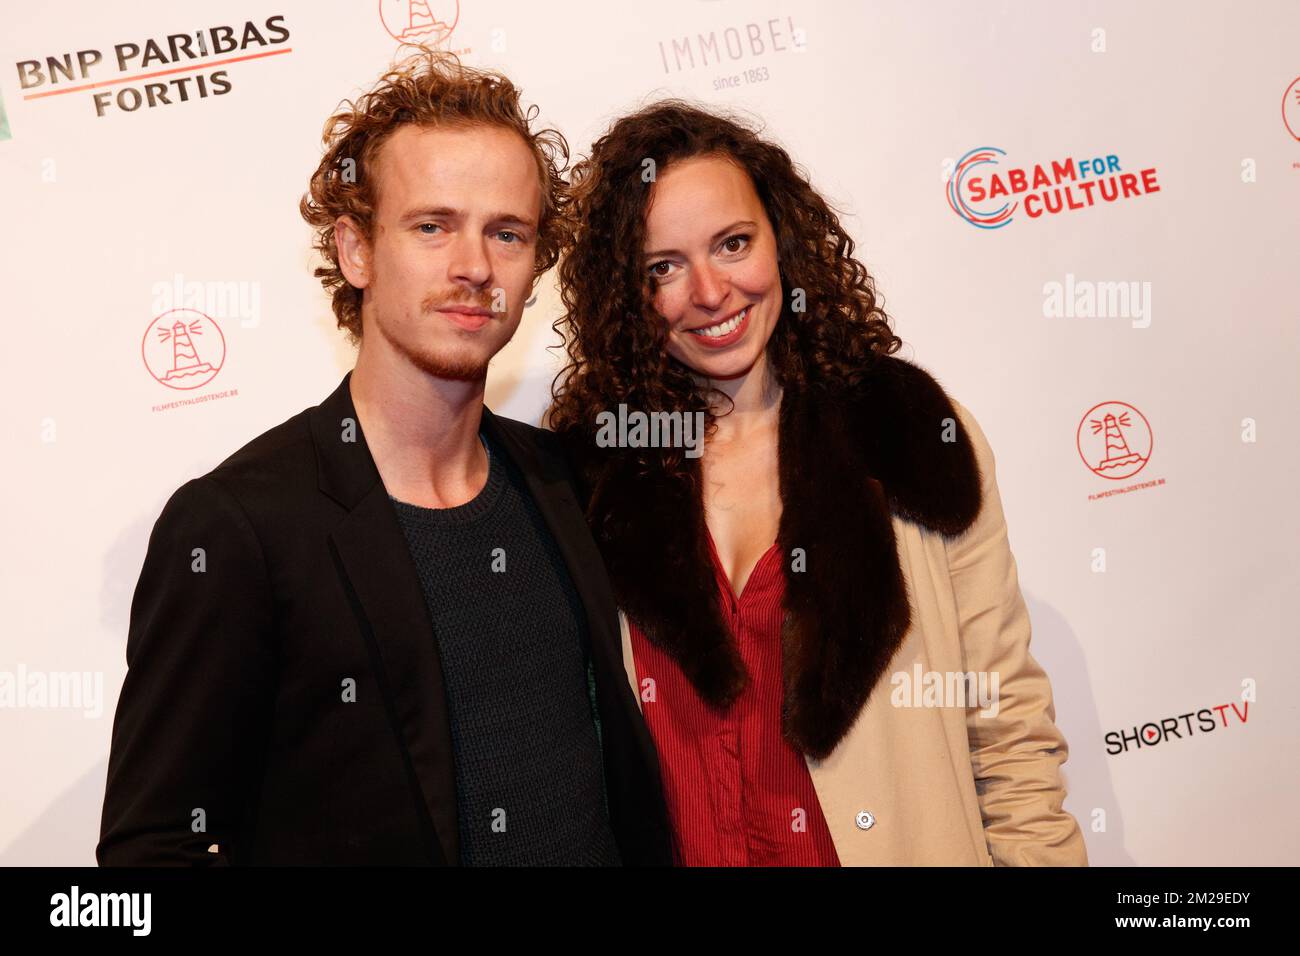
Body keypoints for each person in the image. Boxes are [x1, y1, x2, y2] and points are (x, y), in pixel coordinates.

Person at [97, 49, 671, 866]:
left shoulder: (562, 479)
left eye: (506, 233)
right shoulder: (240, 526)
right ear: (356, 250)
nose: (474, 267)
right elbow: (153, 849)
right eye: (432, 226)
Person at [548, 100, 1088, 866]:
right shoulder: (590, 473)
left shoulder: (907, 434)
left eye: (733, 244)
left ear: (783, 241)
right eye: (663, 267)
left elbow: (1007, 731)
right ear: (624, 294)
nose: (709, 291)